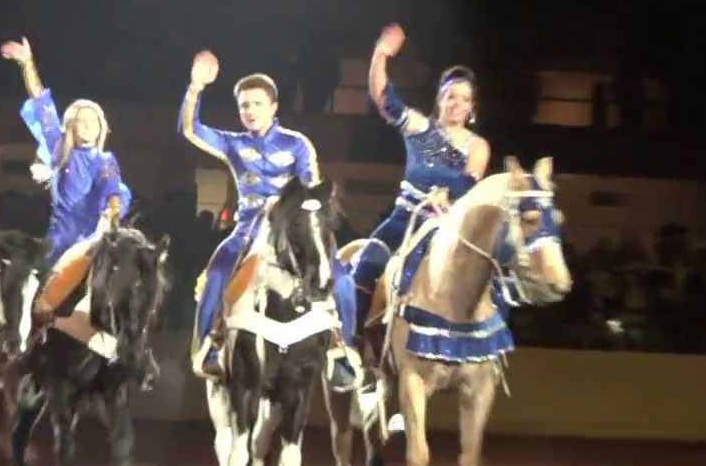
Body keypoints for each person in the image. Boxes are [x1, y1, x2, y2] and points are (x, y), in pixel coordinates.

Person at [0, 36, 157, 391]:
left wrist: (112, 213)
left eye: (92, 122)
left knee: (130, 289)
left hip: (95, 241)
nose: (85, 127)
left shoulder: (105, 161)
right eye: (79, 122)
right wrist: (28, 66)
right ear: (70, 127)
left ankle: (136, 356)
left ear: (101, 128)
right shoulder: (59, 151)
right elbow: (42, 105)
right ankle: (20, 350)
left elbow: (113, 190)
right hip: (59, 241)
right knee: (27, 291)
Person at [178, 50, 323, 379]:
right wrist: (196, 88)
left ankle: (344, 348)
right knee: (216, 275)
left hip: (291, 230)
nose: (250, 110)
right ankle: (209, 346)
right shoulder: (232, 143)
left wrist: (285, 206)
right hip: (246, 230)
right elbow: (190, 129)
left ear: (274, 107)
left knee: (339, 273)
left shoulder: (297, 144)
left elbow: (313, 193)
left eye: (257, 103)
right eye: (244, 105)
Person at [348, 23, 491, 351]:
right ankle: (350, 347)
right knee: (366, 262)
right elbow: (384, 99)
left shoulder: (477, 145)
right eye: (451, 96)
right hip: (405, 218)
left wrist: (449, 195)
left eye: (465, 99)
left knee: (492, 273)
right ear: (439, 99)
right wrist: (380, 54)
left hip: (448, 226)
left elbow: (470, 182)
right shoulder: (420, 127)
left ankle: (483, 348)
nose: (457, 103)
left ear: (472, 108)